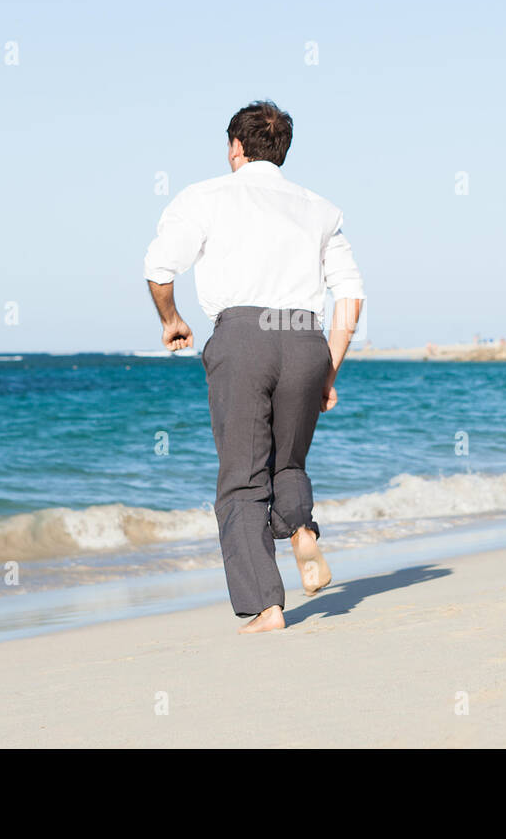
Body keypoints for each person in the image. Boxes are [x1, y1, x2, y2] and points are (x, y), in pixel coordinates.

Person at [143, 101, 365, 633]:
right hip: (306, 338)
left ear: (236, 148)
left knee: (242, 479)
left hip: (243, 336)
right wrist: (328, 369)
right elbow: (351, 296)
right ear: (282, 150)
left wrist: (172, 320)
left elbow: (158, 267)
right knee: (287, 462)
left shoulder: (205, 196)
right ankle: (301, 530)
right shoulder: (319, 208)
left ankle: (266, 607)